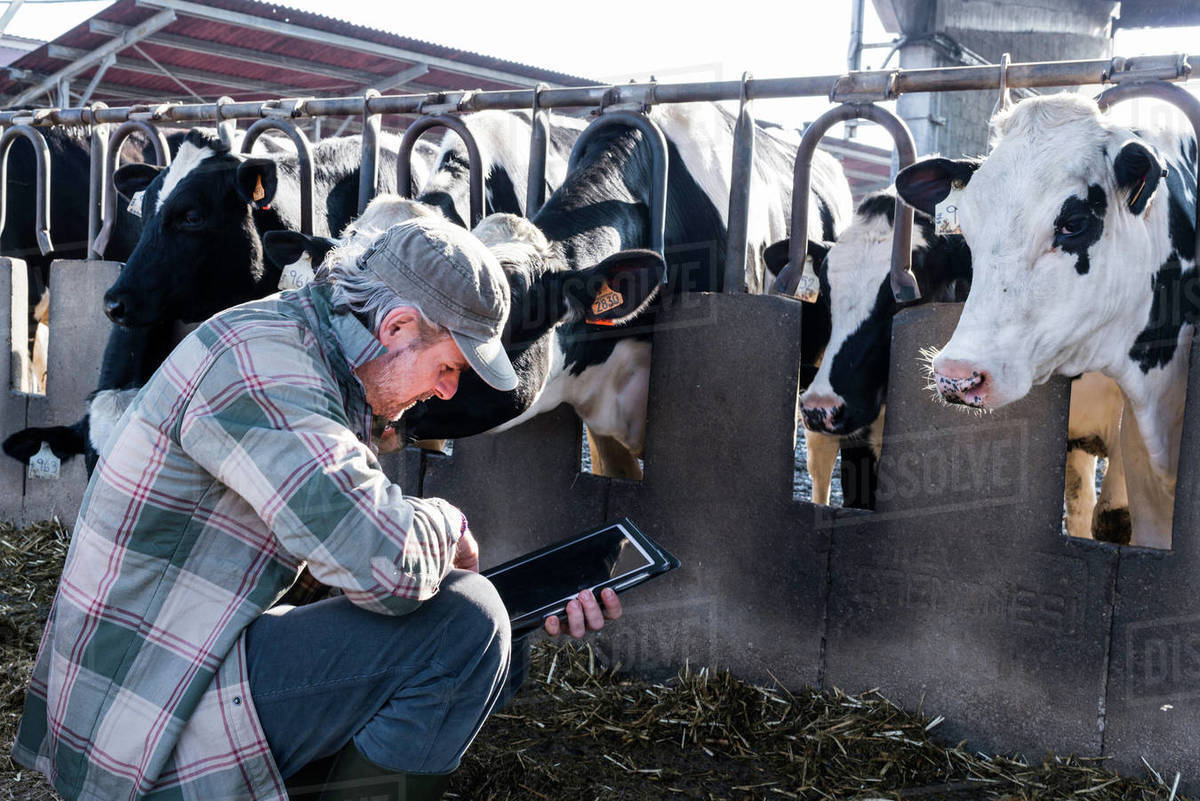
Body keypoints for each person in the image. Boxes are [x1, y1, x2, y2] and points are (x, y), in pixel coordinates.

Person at [12, 216, 623, 801]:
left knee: (479, 630)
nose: (446, 392)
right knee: (465, 624)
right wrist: (449, 521)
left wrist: (514, 630)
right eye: (447, 367)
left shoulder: (303, 348)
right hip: (140, 726)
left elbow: (351, 568)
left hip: (172, 676)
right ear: (397, 328)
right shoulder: (270, 374)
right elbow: (386, 569)